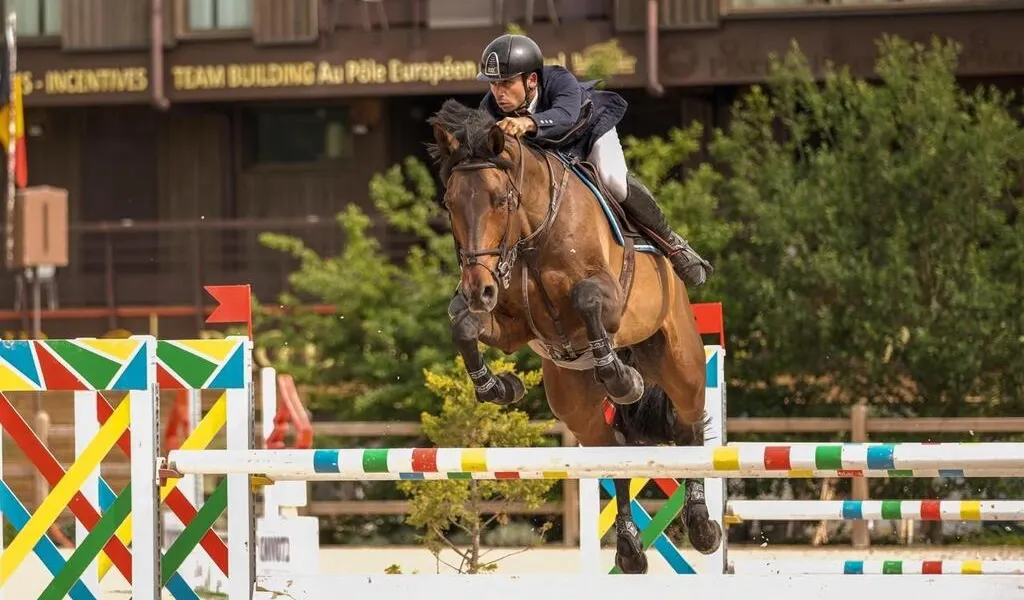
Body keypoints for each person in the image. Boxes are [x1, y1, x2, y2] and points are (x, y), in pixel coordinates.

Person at [475, 33, 713, 288]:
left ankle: (673, 244)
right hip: (551, 157)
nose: (498, 92)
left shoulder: (559, 79)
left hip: (590, 135)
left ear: (532, 80)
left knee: (614, 180)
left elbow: (565, 115)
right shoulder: (489, 108)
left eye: (506, 82)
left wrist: (528, 122)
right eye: (493, 84)